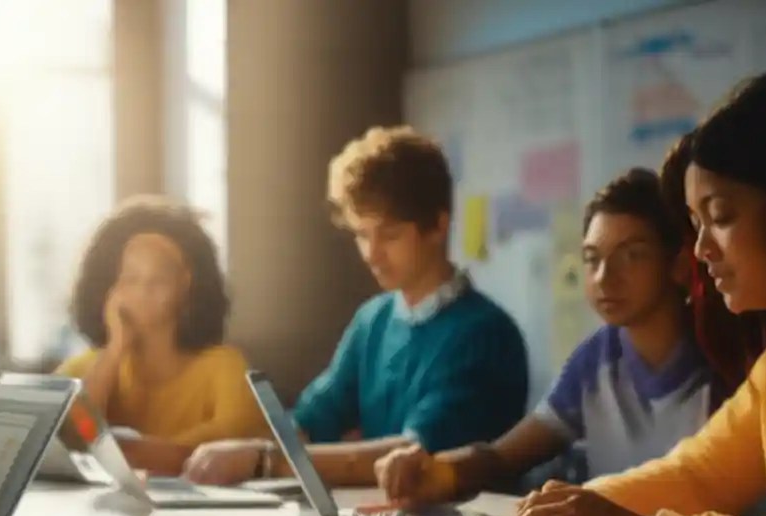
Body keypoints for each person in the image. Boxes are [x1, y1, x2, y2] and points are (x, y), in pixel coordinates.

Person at [506, 71, 766, 516]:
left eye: (722, 215)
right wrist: (577, 508)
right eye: (695, 223)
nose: (703, 250)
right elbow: (699, 474)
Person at [186, 125, 529, 486]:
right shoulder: (374, 319)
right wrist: (247, 447)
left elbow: (415, 455)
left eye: (390, 234)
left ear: (438, 226)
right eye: (362, 235)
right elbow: (311, 422)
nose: (372, 254)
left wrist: (264, 461)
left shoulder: (484, 334)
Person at [376, 168, 715, 507]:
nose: (604, 276)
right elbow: (503, 457)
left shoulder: (722, 361)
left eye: (631, 255)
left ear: (681, 264)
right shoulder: (596, 359)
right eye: (592, 258)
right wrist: (437, 470)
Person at [57, 196, 267, 475]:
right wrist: (116, 348)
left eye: (160, 278)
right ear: (107, 289)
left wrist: (119, 450)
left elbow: (229, 443)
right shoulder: (82, 370)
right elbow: (65, 439)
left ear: (189, 284)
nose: (145, 289)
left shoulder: (225, 365)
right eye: (130, 279)